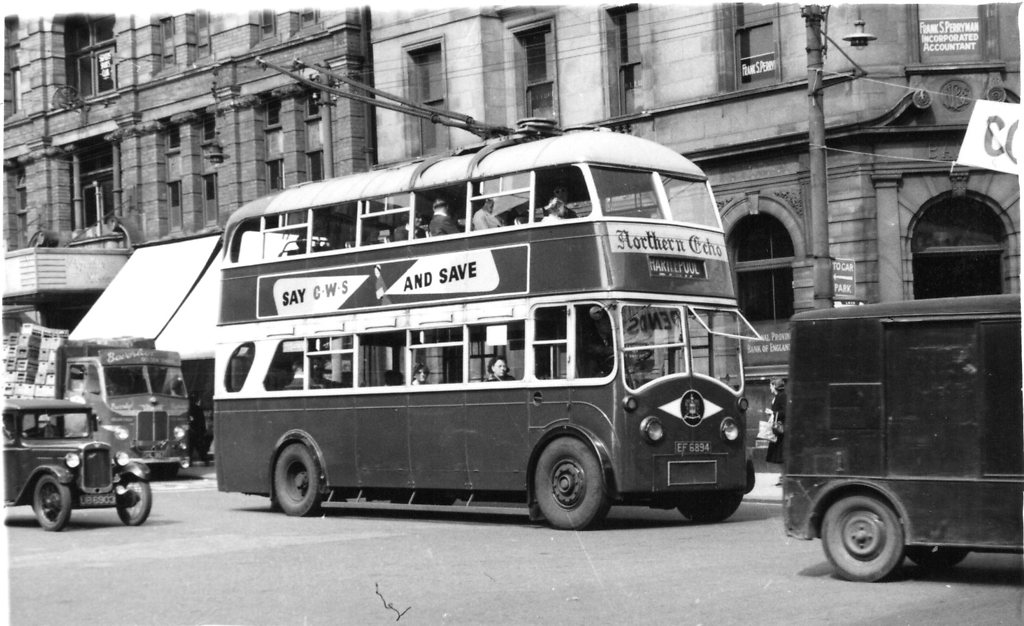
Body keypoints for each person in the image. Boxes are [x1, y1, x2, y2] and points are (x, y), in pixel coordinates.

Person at [765, 378, 786, 484]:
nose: (769, 388)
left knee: (781, 455)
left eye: (770, 385)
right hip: (779, 431)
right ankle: (783, 477)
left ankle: (784, 477)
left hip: (782, 430)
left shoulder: (782, 396)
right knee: (780, 456)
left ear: (774, 386)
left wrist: (773, 413)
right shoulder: (778, 397)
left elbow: (784, 411)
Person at [188, 393, 211, 465]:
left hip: (192, 431)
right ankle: (205, 460)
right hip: (197, 431)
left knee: (191, 448)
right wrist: (203, 430)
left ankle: (190, 461)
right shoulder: (198, 409)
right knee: (200, 447)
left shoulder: (188, 409)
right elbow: (202, 421)